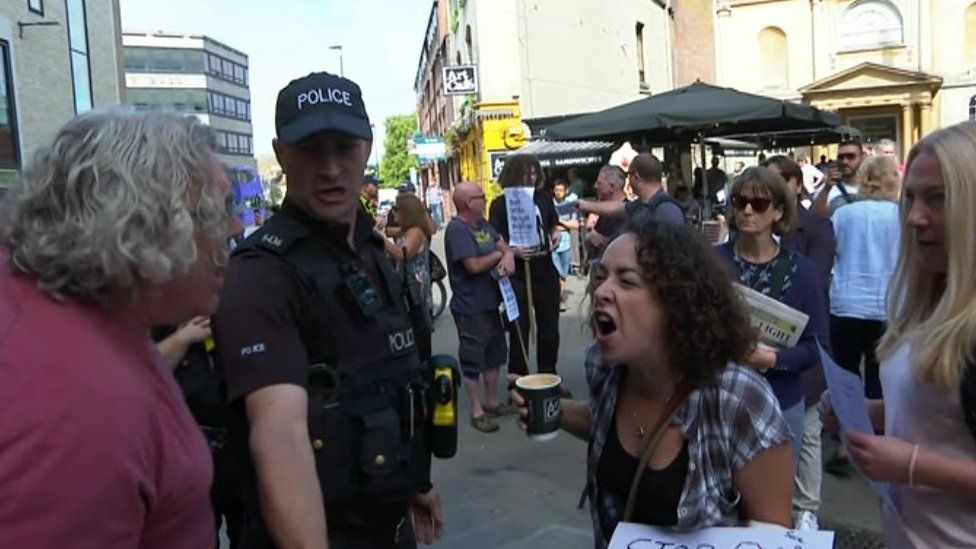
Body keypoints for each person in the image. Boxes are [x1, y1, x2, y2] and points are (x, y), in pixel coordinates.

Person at [213, 71, 443, 549]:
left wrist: (414, 484)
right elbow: (282, 438)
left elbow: (391, 379)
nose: (331, 167)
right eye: (311, 149)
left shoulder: (371, 249)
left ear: (368, 146)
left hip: (388, 519)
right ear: (280, 154)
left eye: (345, 146)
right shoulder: (261, 274)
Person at [0, 110, 240, 547]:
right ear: (145, 222)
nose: (236, 228)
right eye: (218, 212)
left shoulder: (55, 313)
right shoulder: (81, 397)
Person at [513, 218, 793, 546]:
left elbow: (774, 537)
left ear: (674, 301)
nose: (601, 291)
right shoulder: (604, 367)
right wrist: (549, 409)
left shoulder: (739, 398)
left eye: (626, 281)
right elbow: (602, 420)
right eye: (600, 277)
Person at [821, 121, 976, 547]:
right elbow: (951, 416)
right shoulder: (932, 297)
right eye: (909, 198)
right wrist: (872, 412)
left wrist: (911, 464)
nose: (913, 217)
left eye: (938, 199)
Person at [714, 167, 830, 473]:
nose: (747, 210)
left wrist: (772, 358)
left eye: (759, 204)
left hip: (780, 400)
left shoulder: (802, 272)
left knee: (774, 506)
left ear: (779, 211)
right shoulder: (710, 263)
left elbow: (818, 344)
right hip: (718, 397)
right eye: (740, 202)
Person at [761, 155, 835, 530]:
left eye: (772, 185)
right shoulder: (752, 227)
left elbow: (815, 280)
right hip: (756, 357)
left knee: (807, 430)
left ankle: (806, 509)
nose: (757, 203)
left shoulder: (817, 227)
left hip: (802, 346)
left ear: (793, 184)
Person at [822, 154, 901, 478]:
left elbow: (832, 251)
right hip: (885, 306)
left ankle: (845, 443)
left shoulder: (846, 214)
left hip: (846, 303)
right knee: (878, 379)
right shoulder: (899, 215)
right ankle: (874, 445)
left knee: (845, 377)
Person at [154, 318, 244, 548]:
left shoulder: (241, 304)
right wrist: (182, 338)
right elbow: (140, 370)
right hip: (186, 450)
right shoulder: (158, 310)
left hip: (240, 445)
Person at [445, 181, 516, 433]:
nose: (485, 199)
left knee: (494, 353)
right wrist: (500, 256)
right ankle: (477, 410)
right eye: (481, 196)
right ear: (467, 203)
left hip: (490, 301)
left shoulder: (482, 224)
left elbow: (501, 243)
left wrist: (506, 253)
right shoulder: (458, 229)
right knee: (474, 356)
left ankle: (492, 401)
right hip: (469, 305)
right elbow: (473, 266)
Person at [489, 153, 563, 381]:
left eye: (534, 173)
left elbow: (552, 224)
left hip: (543, 266)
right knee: (519, 327)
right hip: (518, 272)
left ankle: (549, 375)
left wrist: (555, 233)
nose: (531, 177)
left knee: (549, 328)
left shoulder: (543, 198)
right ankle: (518, 378)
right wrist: (511, 250)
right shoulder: (500, 204)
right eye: (526, 173)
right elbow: (495, 236)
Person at [380, 193, 438, 361]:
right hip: (414, 291)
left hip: (416, 293)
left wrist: (380, 241)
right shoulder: (409, 230)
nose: (394, 213)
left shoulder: (415, 231)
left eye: (396, 210)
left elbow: (402, 254)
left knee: (420, 344)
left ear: (407, 212)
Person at [578, 153, 685, 228]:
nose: (627, 180)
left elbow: (674, 253)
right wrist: (583, 205)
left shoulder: (666, 209)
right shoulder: (642, 204)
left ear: (636, 177)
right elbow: (617, 208)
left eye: (628, 175)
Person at [812, 140, 866, 217]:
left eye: (850, 156)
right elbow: (815, 219)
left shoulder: (874, 187)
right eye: (841, 157)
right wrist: (827, 188)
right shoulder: (826, 190)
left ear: (862, 157)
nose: (845, 161)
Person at [582, 165, 628, 257]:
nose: (595, 186)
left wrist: (604, 240)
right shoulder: (604, 212)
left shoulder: (628, 213)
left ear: (611, 187)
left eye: (599, 183)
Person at [551, 179, 579, 301]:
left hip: (566, 244)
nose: (558, 192)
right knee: (557, 271)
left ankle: (560, 294)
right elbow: (548, 225)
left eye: (561, 190)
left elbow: (575, 224)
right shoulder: (550, 204)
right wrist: (565, 225)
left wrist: (561, 222)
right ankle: (557, 295)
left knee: (563, 273)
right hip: (552, 244)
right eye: (556, 190)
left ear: (566, 191)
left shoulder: (569, 205)